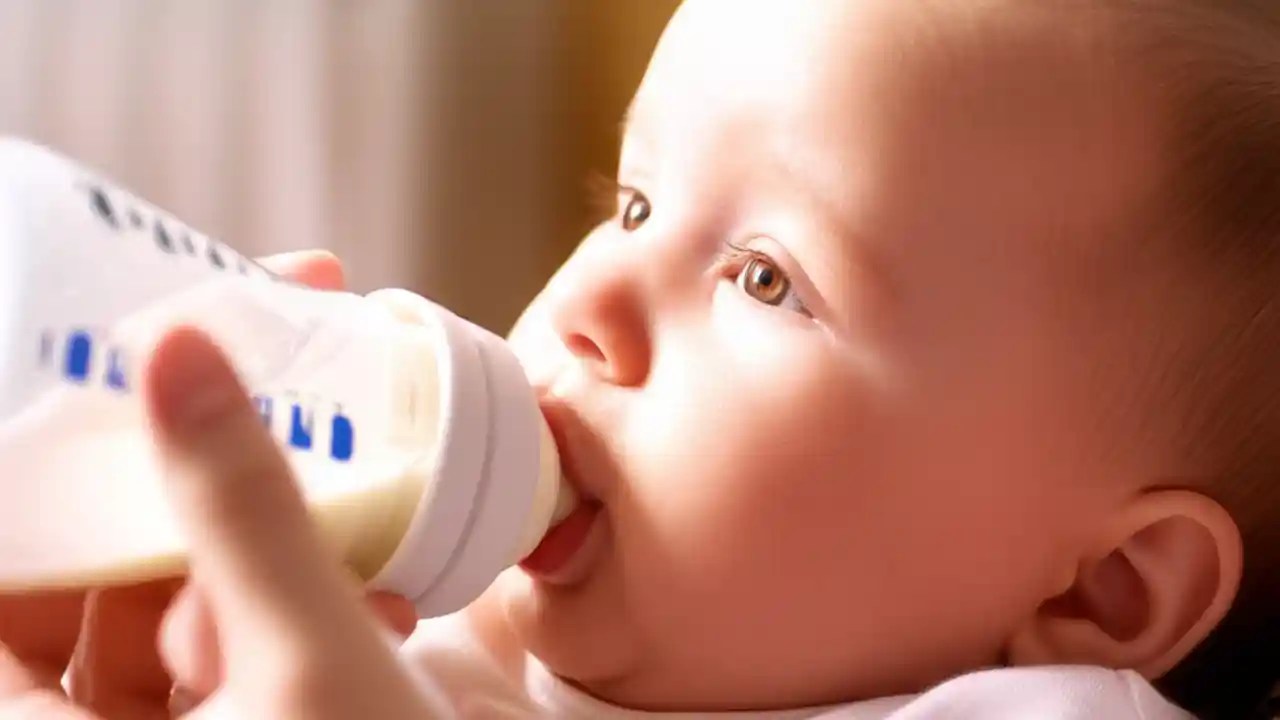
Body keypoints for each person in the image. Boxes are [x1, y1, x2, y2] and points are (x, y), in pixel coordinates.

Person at [6, 0, 1280, 716]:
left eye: (768, 277)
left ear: (1103, 594)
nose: (586, 303)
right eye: (628, 205)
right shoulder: (458, 645)